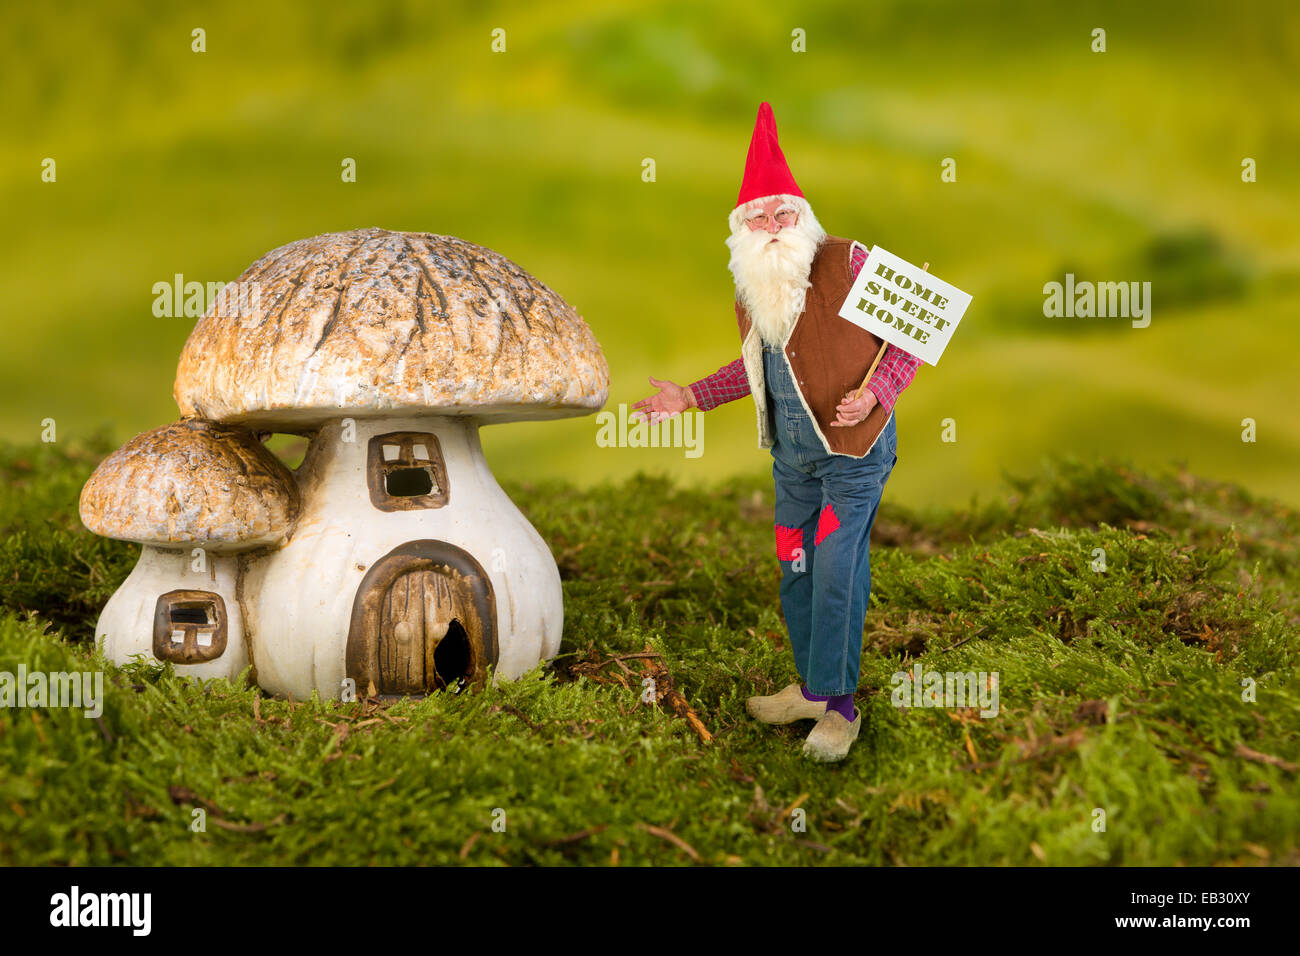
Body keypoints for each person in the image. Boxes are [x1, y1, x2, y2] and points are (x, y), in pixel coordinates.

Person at [632, 102, 922, 762]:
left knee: (834, 569)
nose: (770, 228)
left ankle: (840, 709)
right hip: (794, 462)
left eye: (781, 214)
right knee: (794, 569)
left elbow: (914, 334)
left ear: (802, 216)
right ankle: (813, 688)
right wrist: (690, 397)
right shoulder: (751, 291)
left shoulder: (849, 261)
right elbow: (757, 369)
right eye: (756, 218)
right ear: (740, 228)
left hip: (852, 455)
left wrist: (877, 391)